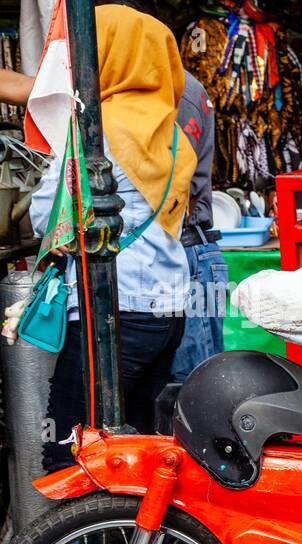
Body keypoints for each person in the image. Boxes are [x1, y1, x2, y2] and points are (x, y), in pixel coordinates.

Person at [30, 3, 197, 473]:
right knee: (137, 445)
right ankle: (140, 543)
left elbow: (49, 219)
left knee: (69, 447)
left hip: (112, 311)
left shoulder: (96, 128)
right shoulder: (171, 131)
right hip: (167, 311)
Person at [169, 70, 228, 382]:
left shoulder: (180, 91)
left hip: (189, 252)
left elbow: (178, 181)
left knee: (192, 384)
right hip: (186, 252)